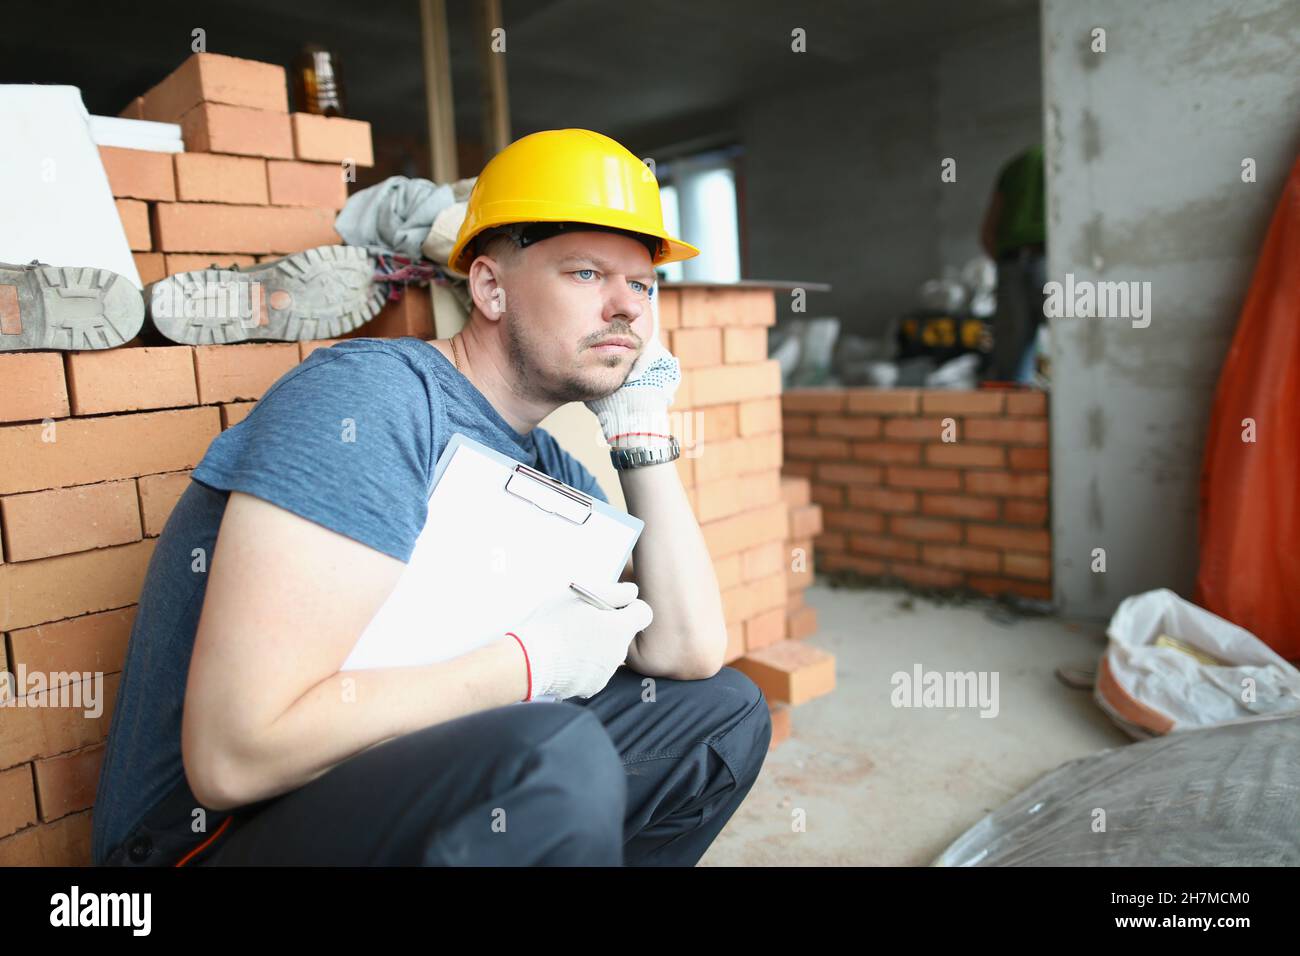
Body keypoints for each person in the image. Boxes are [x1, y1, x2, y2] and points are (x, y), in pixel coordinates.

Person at [90, 129, 772, 868]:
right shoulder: (371, 402)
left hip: (382, 784)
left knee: (722, 715)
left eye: (641, 284)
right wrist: (531, 663)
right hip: (205, 839)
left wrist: (639, 437)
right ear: (489, 288)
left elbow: (686, 650)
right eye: (585, 274)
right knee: (549, 756)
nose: (627, 309)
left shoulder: (551, 471)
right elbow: (234, 759)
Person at [980, 144, 1047, 383]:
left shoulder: (1016, 165)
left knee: (1011, 366)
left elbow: (988, 232)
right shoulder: (1068, 157)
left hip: (1010, 264)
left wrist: (1005, 264)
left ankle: (1010, 416)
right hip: (1053, 260)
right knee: (1076, 352)